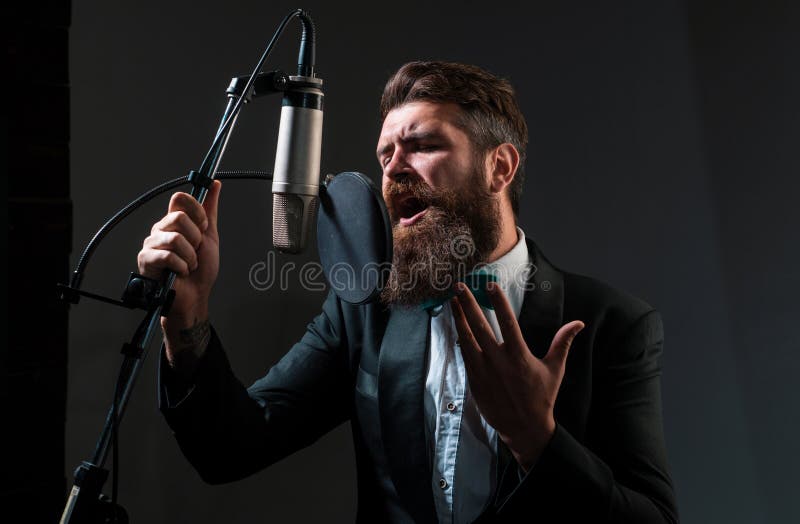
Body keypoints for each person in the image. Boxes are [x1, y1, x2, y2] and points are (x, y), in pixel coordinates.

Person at [138, 61, 678, 523]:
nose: (394, 170)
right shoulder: (362, 313)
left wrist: (538, 440)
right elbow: (229, 448)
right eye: (385, 155)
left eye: (421, 145)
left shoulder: (611, 324)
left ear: (500, 166)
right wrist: (188, 316)